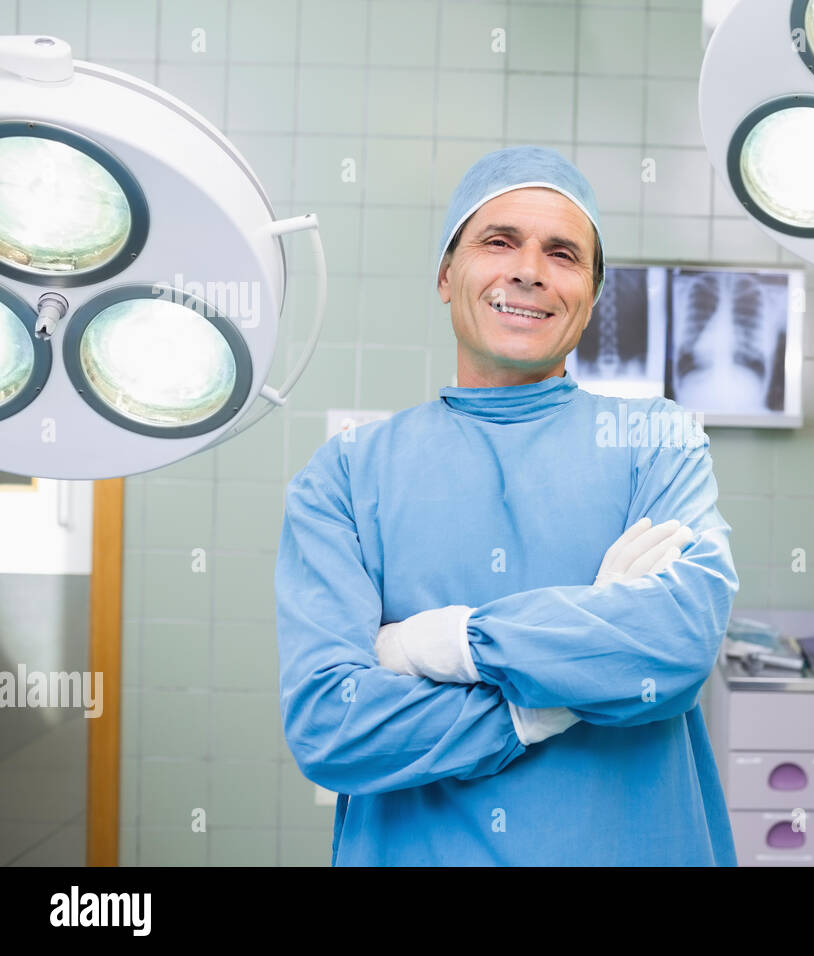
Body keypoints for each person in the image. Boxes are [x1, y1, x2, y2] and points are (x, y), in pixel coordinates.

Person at [274, 145, 741, 866]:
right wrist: (544, 700)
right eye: (499, 242)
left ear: (589, 293)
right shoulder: (346, 473)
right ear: (444, 275)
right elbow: (333, 728)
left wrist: (444, 644)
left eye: (562, 253)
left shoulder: (656, 442)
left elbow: (675, 644)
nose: (528, 269)